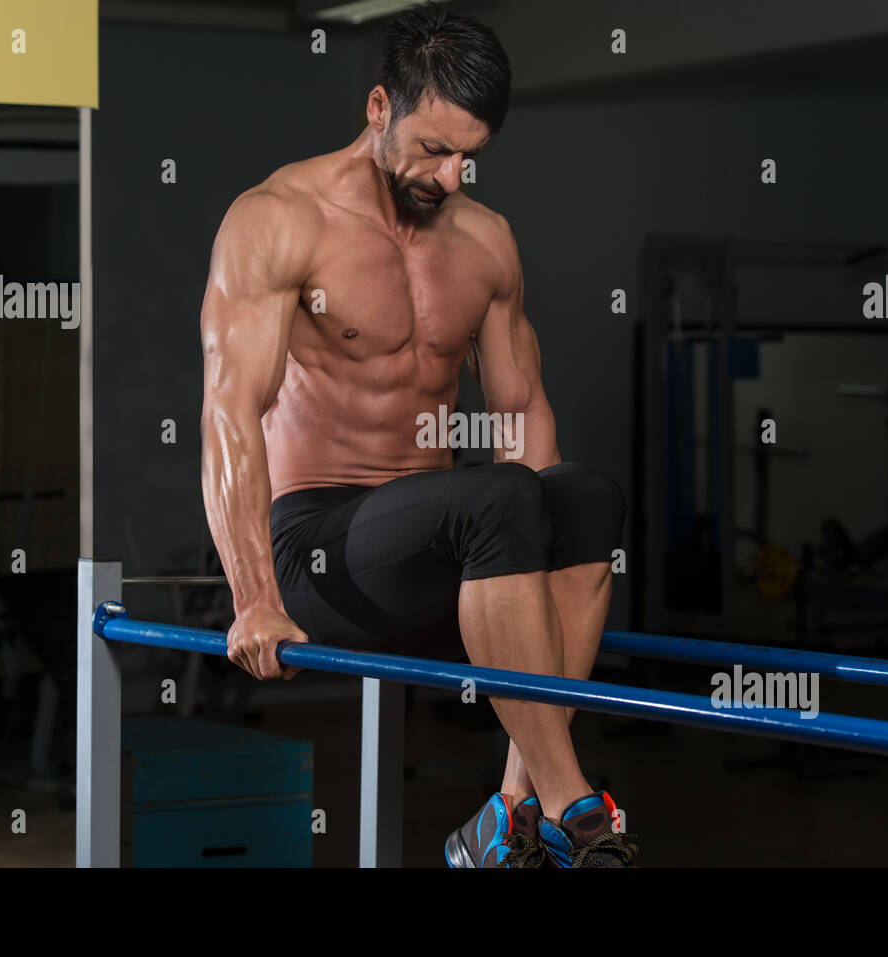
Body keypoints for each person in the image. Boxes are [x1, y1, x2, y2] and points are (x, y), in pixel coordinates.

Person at [199, 3, 636, 868]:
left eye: (470, 155)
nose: (451, 175)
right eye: (434, 148)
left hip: (450, 555)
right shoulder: (279, 218)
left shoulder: (486, 243)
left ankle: (514, 807)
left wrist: (541, 543)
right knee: (501, 496)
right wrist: (253, 593)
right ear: (378, 108)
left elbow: (524, 413)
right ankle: (572, 806)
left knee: (584, 494)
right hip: (322, 554)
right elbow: (228, 412)